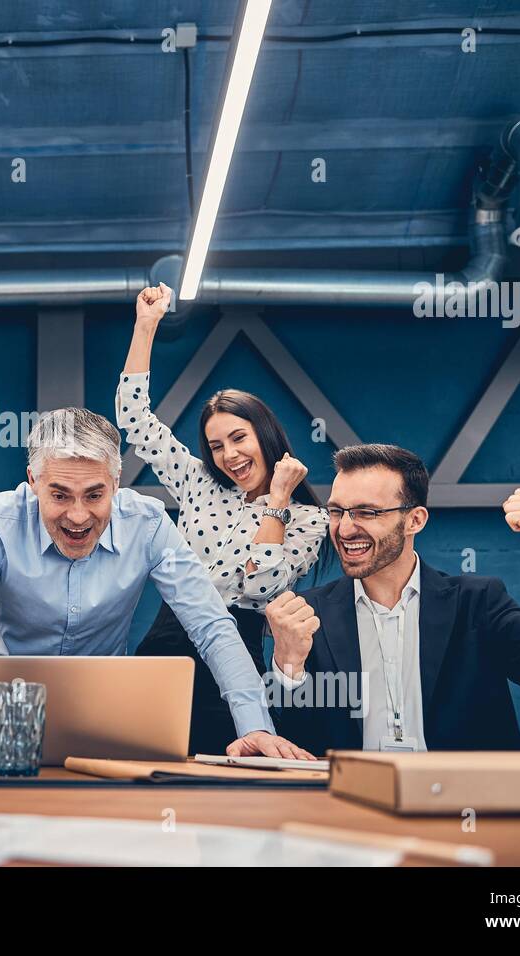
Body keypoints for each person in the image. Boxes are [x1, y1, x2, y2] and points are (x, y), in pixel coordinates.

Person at [0, 406, 315, 760]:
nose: (78, 516)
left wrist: (256, 727)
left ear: (116, 484)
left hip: (102, 701)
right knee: (8, 813)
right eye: (59, 495)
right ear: (33, 481)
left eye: (94, 495)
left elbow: (212, 626)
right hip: (11, 699)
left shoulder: (148, 524)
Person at [267, 443, 520, 753]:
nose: (344, 529)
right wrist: (288, 667)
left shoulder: (477, 603)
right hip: (351, 797)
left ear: (415, 520)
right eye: (337, 511)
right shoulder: (310, 614)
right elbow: (296, 747)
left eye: (367, 512)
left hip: (463, 796)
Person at [118, 283, 328, 755]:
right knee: (144, 768)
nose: (229, 455)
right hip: (165, 646)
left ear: (265, 434)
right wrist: (146, 326)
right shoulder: (198, 482)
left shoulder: (309, 519)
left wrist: (276, 501)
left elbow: (261, 586)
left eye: (238, 438)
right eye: (216, 445)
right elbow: (135, 420)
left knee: (224, 775)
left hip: (234, 658)